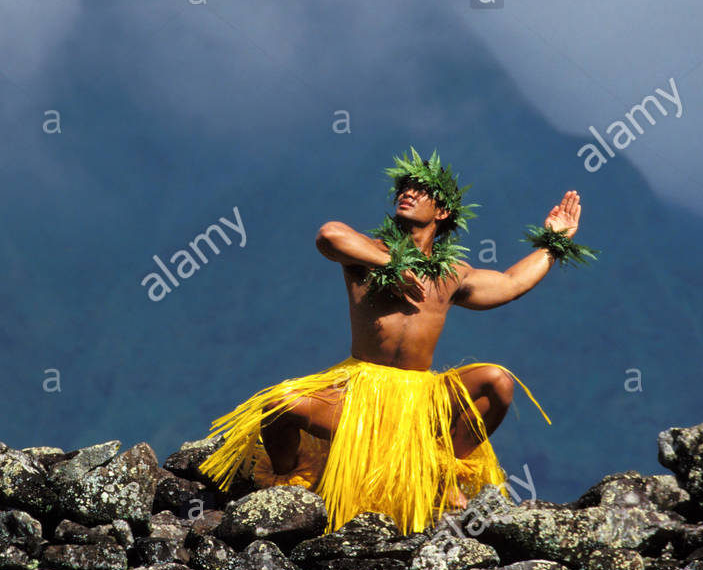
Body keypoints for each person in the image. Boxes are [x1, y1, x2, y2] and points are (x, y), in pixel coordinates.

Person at [198, 148, 598, 535]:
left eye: (421, 190)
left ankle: (441, 471)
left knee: (497, 381)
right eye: (404, 189)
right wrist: (391, 264)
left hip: (420, 400)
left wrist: (553, 244)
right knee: (279, 405)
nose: (408, 193)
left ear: (441, 213)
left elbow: (510, 284)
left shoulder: (452, 275)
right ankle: (291, 485)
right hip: (359, 393)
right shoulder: (367, 253)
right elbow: (329, 235)